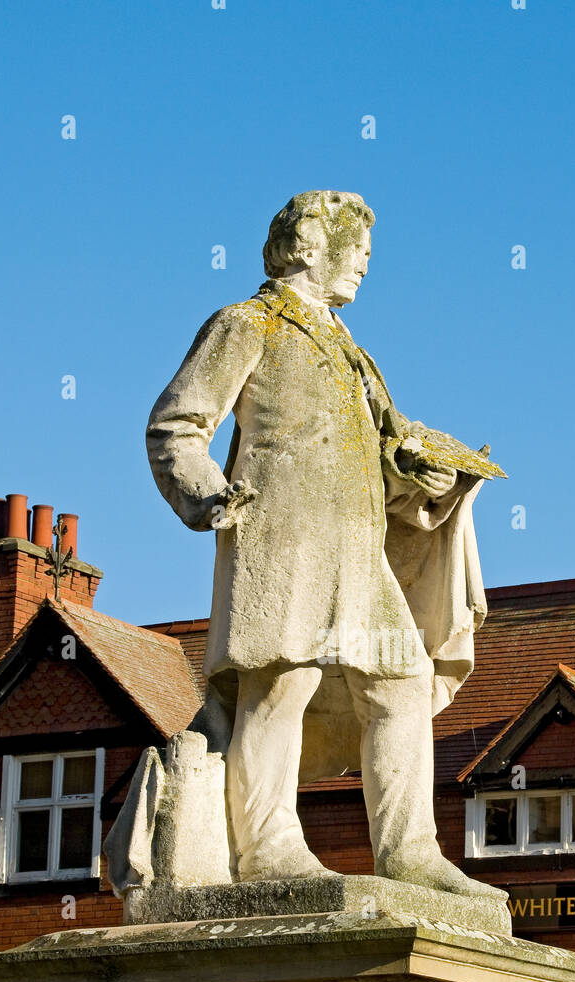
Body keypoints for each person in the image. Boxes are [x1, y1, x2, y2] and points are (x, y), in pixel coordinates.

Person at [146, 190, 503, 899]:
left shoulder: (356, 356)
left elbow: (381, 461)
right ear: (309, 245)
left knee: (400, 683)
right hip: (281, 537)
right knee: (283, 682)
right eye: (359, 252)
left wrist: (422, 476)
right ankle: (268, 847)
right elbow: (176, 425)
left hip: (358, 549)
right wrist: (206, 492)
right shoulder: (247, 324)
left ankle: (409, 854)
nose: (367, 267)